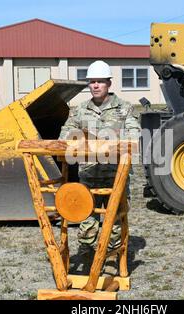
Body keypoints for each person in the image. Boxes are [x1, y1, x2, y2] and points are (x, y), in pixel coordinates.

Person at [58, 60, 140, 260]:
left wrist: (107, 142)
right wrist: (77, 141)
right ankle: (87, 257)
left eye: (100, 82)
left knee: (116, 219)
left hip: (116, 175)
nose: (95, 85)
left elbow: (134, 137)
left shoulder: (125, 108)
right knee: (87, 219)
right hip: (89, 175)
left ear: (109, 84)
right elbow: (65, 135)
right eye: (92, 82)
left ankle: (112, 257)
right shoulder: (80, 110)